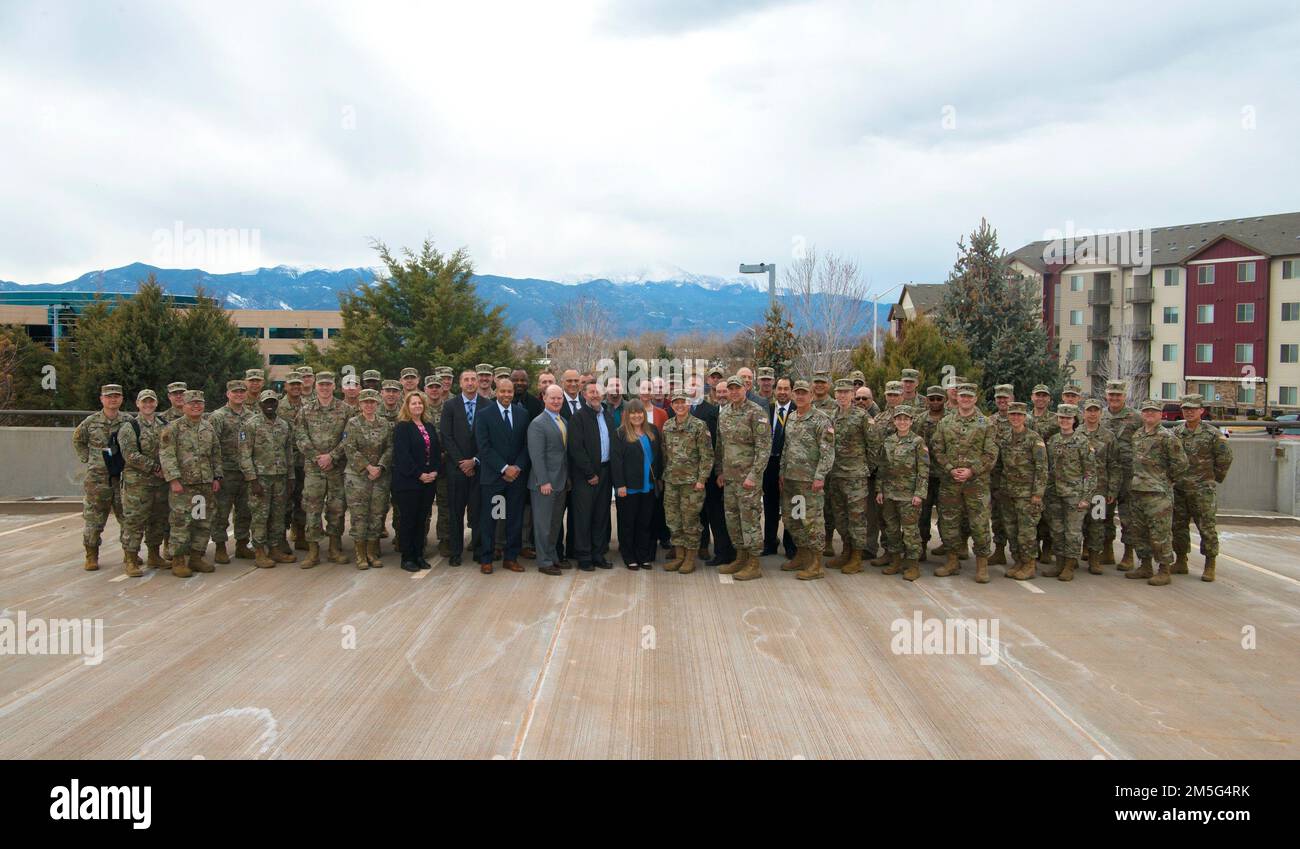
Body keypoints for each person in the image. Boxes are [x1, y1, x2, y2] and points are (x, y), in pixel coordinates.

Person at [931, 383, 998, 582]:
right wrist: (950, 468)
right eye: (962, 396)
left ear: (975, 399)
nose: (966, 399)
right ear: (956, 398)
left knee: (979, 524)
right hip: (950, 482)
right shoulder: (945, 422)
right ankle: (952, 561)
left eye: (970, 397)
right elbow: (937, 449)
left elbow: (991, 453)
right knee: (949, 523)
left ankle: (982, 565)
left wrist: (971, 471)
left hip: (976, 483)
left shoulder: (985, 423)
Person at [1125, 399, 1189, 586]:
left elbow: (1181, 463)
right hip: (1137, 490)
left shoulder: (1167, 437)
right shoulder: (1137, 435)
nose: (1149, 415)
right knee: (1139, 531)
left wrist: (1165, 480)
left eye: (1153, 412)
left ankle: (1164, 569)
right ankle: (1145, 565)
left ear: (1160, 415)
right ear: (1142, 415)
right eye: (1146, 412)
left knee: (1160, 532)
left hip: (1158, 493)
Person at [159, 390, 222, 577]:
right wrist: (173, 480)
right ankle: (178, 560)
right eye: (192, 403)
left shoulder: (208, 427)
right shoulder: (173, 428)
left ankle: (196, 556)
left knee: (202, 521)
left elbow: (216, 454)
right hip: (184, 486)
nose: (196, 406)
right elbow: (166, 455)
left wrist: (217, 477)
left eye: (199, 403)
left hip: (204, 485)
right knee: (181, 522)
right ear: (183, 406)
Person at [1172, 394, 1232, 581]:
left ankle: (1210, 564)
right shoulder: (1176, 432)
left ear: (1201, 411)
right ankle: (1181, 560)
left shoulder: (1212, 434)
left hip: (1202, 489)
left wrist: (1212, 479)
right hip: (1179, 488)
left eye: (1192, 409)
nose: (1189, 412)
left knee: (1206, 527)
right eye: (1185, 409)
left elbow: (1225, 458)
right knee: (1178, 527)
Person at [779, 380, 835, 581]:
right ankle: (802, 555)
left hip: (810, 482)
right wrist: (782, 472)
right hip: (792, 480)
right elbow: (787, 447)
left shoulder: (821, 420)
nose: (800, 396)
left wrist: (820, 476)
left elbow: (827, 452)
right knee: (793, 519)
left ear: (811, 396)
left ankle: (817, 563)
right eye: (798, 393)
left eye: (804, 393)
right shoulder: (792, 417)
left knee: (812, 522)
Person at [717, 375, 772, 581]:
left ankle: (754, 563)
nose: (733, 392)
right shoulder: (725, 414)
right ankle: (740, 558)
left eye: (737, 388)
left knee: (749, 520)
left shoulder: (756, 413)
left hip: (748, 479)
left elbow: (764, 448)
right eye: (730, 389)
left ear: (745, 389)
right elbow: (720, 446)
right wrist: (719, 471)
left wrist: (754, 475)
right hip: (730, 479)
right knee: (733, 520)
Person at [474, 376, 530, 574]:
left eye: (510, 392)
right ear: (496, 392)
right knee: (491, 519)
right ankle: (487, 558)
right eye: (503, 391)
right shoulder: (484, 414)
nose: (506, 395)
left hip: (516, 478)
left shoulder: (522, 414)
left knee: (514, 518)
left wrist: (517, 468)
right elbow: (484, 447)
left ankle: (511, 557)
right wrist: (504, 468)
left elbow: (526, 445)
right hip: (494, 478)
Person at [296, 371, 351, 567]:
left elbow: (348, 437)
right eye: (322, 385)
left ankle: (334, 549)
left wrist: (333, 456)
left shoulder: (345, 409)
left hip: (336, 468)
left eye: (328, 385)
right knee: (312, 509)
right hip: (314, 468)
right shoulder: (305, 410)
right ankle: (313, 551)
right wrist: (316, 457)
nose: (325, 388)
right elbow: (300, 436)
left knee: (337, 509)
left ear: (334, 386)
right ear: (316, 386)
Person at [73, 384, 128, 572]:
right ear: (102, 399)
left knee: (127, 518)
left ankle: (130, 554)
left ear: (121, 399)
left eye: (116, 396)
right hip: (98, 478)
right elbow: (78, 439)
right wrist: (87, 458)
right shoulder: (91, 422)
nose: (113, 400)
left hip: (121, 478)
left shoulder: (128, 421)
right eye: (109, 396)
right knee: (94, 519)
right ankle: (91, 554)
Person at [242, 390, 297, 568]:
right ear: (260, 404)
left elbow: (288, 452)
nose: (270, 405)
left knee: (278, 515)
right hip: (261, 478)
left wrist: (290, 477)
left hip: (280, 477)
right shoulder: (251, 425)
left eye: (273, 402)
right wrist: (252, 480)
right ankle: (259, 551)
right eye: (266, 402)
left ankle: (275, 549)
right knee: (260, 516)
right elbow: (244, 455)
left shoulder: (283, 425)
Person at [117, 389, 169, 576]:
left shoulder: (165, 424)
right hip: (138, 483)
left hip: (161, 483)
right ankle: (131, 559)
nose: (148, 405)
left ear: (156, 403)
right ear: (137, 404)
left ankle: (154, 555)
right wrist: (156, 468)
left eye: (151, 402)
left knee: (158, 520)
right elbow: (130, 455)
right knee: (134, 521)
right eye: (144, 402)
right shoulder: (130, 427)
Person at [825, 378, 874, 574]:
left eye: (846, 392)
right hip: (836, 475)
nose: (843, 395)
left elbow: (873, 445)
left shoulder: (862, 416)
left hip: (855, 477)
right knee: (840, 517)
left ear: (852, 395)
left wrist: (866, 468)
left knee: (857, 519)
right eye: (839, 392)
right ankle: (846, 551)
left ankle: (856, 557)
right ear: (835, 394)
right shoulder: (831, 416)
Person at [1041, 403, 1096, 581]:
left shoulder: (1082, 441)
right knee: (1057, 530)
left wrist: (1086, 497)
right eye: (1061, 418)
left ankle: (1070, 566)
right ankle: (1059, 563)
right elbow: (1047, 468)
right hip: (1054, 493)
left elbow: (1090, 472)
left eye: (1068, 418)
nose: (1064, 421)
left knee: (1072, 532)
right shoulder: (1053, 441)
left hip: (1075, 494)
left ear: (1074, 420)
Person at [661, 390, 712, 574]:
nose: (680, 405)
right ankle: (680, 556)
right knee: (673, 520)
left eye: (683, 402)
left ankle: (690, 558)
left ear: (689, 404)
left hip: (692, 483)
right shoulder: (667, 426)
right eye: (676, 402)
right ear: (672, 405)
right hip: (672, 482)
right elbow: (664, 454)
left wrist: (702, 480)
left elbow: (707, 455)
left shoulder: (699, 426)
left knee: (690, 520)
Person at [876, 406, 929, 581]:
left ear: (911, 421)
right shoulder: (889, 441)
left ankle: (913, 564)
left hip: (908, 495)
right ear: (894, 421)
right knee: (891, 529)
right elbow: (882, 467)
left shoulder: (917, 442)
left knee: (910, 531)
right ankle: (895, 560)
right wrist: (879, 490)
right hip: (890, 493)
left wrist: (919, 493)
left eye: (906, 419)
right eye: (899, 419)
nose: (902, 422)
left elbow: (923, 470)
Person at [568, 380, 616, 570]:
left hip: (606, 472)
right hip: (586, 476)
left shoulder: (608, 416)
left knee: (601, 516)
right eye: (591, 392)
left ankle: (598, 554)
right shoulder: (578, 418)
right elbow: (576, 449)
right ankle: (584, 556)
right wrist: (590, 473)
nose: (595, 395)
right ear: (584, 395)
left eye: (598, 392)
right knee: (584, 517)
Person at [343, 389, 393, 570]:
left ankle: (372, 552)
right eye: (366, 402)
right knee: (359, 515)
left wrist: (380, 466)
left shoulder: (384, 423)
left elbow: (390, 447)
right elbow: (349, 448)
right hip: (357, 477)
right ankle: (360, 554)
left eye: (372, 402)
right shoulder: (353, 423)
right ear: (360, 404)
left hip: (380, 476)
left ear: (377, 404)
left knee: (377, 514)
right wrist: (367, 466)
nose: (369, 405)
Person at [611, 399, 664, 569]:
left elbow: (659, 457)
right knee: (628, 523)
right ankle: (629, 556)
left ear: (644, 414)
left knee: (645, 522)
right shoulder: (620, 434)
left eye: (639, 412)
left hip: (648, 486)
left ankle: (644, 555)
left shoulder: (653, 431)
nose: (636, 415)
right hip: (629, 488)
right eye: (632, 412)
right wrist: (620, 485)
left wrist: (660, 479)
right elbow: (616, 462)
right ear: (626, 415)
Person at [441, 369, 486, 566]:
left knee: (477, 513)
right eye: (466, 380)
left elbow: (488, 439)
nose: (470, 383)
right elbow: (446, 436)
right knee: (455, 513)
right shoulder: (450, 406)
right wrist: (462, 462)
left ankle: (477, 549)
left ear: (477, 383)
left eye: (473, 379)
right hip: (456, 469)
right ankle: (456, 552)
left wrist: (474, 460)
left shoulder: (487, 405)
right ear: (460, 383)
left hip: (479, 468)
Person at [392, 390, 440, 572]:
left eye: (420, 403)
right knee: (409, 520)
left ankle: (419, 555)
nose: (417, 406)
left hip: (428, 482)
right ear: (407, 406)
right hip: (409, 482)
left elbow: (436, 450)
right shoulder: (403, 427)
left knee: (422, 520)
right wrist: (419, 474)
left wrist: (434, 470)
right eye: (413, 403)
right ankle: (408, 557)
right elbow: (403, 456)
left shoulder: (428, 425)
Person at [999, 402, 1047, 580]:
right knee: (1011, 529)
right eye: (1012, 415)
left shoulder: (1034, 439)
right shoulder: (1005, 437)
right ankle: (1018, 560)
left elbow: (1042, 468)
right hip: (1008, 492)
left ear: (1025, 417)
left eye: (1019, 415)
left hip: (1027, 494)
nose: (1015, 418)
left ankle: (1029, 564)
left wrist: (1037, 494)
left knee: (1026, 531)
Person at [208, 378, 255, 564]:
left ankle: (242, 544)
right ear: (228, 394)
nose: (239, 394)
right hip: (226, 472)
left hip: (246, 472)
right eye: (235, 392)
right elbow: (212, 446)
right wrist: (215, 474)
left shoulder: (251, 416)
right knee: (221, 512)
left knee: (245, 511)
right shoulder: (218, 416)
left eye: (242, 391)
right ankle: (220, 546)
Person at [690, 375, 734, 566]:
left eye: (726, 391)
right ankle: (711, 549)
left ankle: (726, 552)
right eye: (719, 391)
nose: (722, 394)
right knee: (706, 513)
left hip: (721, 473)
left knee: (721, 515)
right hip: (703, 472)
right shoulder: (708, 412)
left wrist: (720, 471)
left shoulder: (721, 412)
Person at [527, 384, 569, 576]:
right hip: (544, 484)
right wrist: (543, 481)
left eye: (559, 398)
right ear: (544, 398)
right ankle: (543, 561)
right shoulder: (538, 423)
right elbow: (537, 456)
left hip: (560, 482)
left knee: (555, 524)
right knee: (543, 525)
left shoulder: (564, 421)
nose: (556, 401)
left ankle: (552, 557)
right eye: (552, 398)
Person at [1101, 380, 1142, 569]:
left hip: (1127, 473)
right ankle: (1106, 550)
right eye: (1111, 395)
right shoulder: (1099, 415)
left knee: (1127, 514)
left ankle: (1128, 554)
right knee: (1103, 514)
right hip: (1105, 473)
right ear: (1106, 395)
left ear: (1124, 396)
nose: (1114, 398)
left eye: (1118, 395)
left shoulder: (1136, 417)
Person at [1078, 398, 1119, 574]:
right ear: (1083, 413)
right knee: (1077, 523)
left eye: (1095, 411)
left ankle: (1095, 559)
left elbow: (1115, 465)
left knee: (1097, 524)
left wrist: (1113, 489)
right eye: (1089, 411)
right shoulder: (1076, 433)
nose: (1092, 414)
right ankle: (1074, 556)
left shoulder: (1108, 436)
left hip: (1100, 490)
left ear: (1101, 414)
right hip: (1079, 489)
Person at [762, 377, 796, 559]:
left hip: (790, 464)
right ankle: (770, 542)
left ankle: (790, 545)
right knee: (770, 505)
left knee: (791, 505)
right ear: (774, 390)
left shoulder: (797, 411)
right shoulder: (767, 409)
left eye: (786, 388)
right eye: (780, 388)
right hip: (769, 463)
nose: (782, 392)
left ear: (791, 391)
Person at [915, 386, 947, 562]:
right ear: (927, 400)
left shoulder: (950, 419)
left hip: (944, 475)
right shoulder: (920, 419)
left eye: (938, 399)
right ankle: (921, 546)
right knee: (923, 514)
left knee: (947, 514)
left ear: (944, 400)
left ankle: (950, 549)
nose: (935, 402)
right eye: (932, 399)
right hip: (925, 475)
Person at [278, 373, 309, 553]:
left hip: (304, 461)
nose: (296, 387)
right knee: (283, 502)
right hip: (284, 461)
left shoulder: (308, 405)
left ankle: (301, 536)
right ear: (286, 386)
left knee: (302, 500)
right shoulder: (277, 406)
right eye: (293, 384)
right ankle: (281, 539)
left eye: (299, 384)